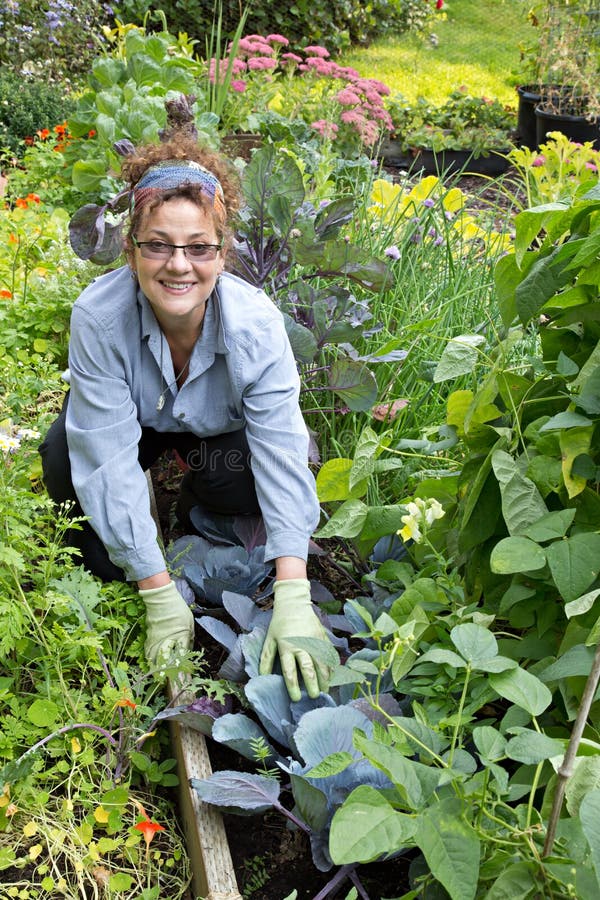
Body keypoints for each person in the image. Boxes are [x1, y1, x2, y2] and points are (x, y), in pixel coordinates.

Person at [39, 131, 333, 702]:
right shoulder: (99, 319)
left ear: (223, 255)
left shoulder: (256, 327)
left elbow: (278, 447)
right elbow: (104, 452)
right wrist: (155, 587)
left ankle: (196, 492)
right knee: (68, 477)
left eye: (199, 247)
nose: (179, 265)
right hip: (137, 424)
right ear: (131, 251)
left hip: (217, 432)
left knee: (237, 482)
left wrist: (294, 589)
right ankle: (151, 542)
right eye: (158, 245)